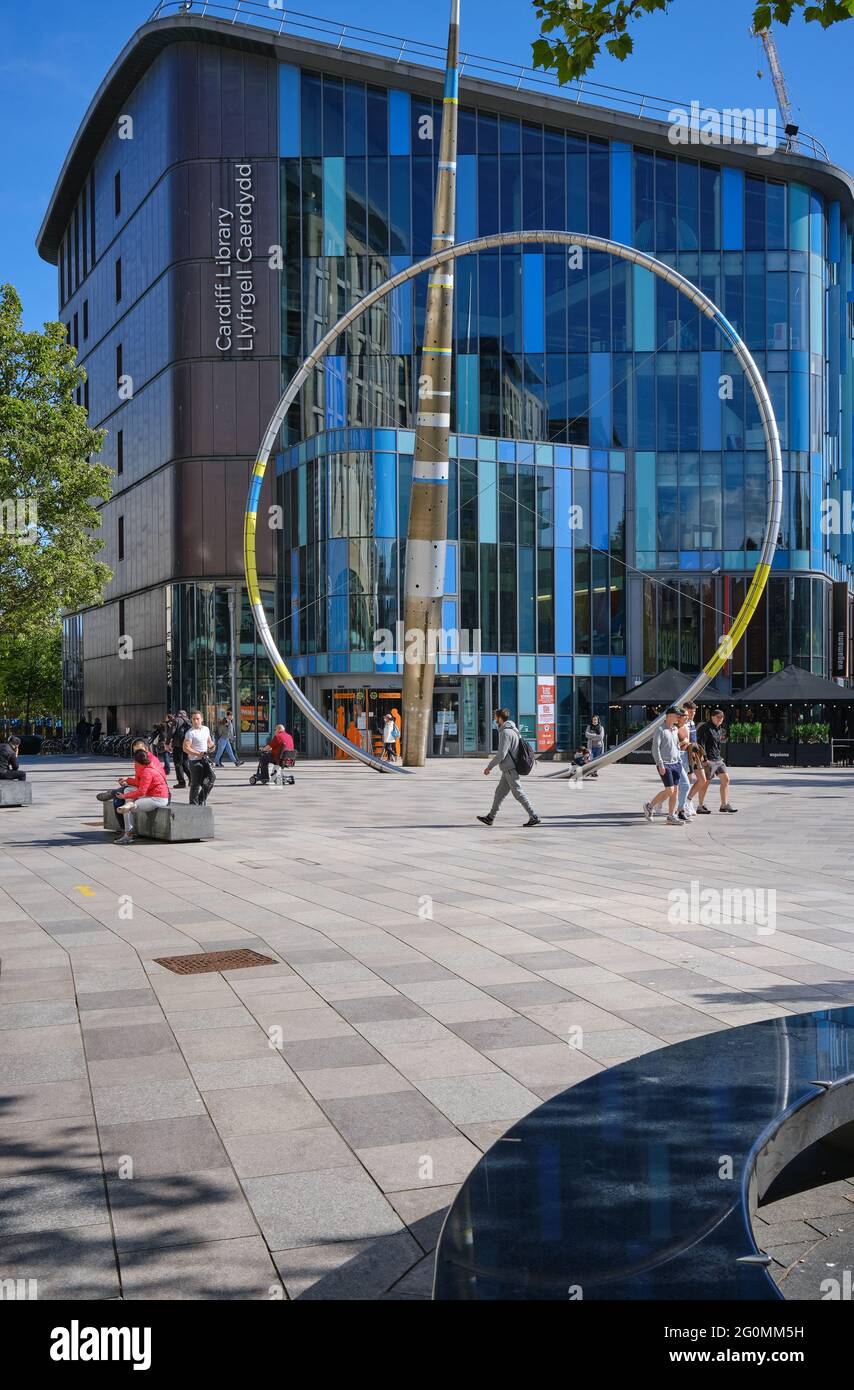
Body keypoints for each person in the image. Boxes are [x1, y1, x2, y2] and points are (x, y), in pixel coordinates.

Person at [477, 708, 540, 828]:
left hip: (510, 768)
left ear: (500, 718)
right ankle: (490, 817)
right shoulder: (513, 729)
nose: (494, 719)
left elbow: (501, 754)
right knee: (499, 793)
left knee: (518, 793)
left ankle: (534, 816)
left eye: (495, 717)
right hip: (508, 768)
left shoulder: (506, 732)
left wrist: (489, 767)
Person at [114, 749, 170, 845]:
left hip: (157, 799)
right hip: (152, 795)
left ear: (137, 761)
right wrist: (127, 780)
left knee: (128, 809)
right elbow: (139, 783)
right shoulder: (147, 768)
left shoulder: (146, 772)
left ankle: (128, 834)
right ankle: (129, 804)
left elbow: (141, 791)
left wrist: (124, 796)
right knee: (128, 791)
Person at [643, 707, 685, 826]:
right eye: (677, 715)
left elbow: (676, 746)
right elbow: (655, 749)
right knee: (669, 790)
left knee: (675, 791)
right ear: (670, 715)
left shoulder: (675, 729)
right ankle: (649, 806)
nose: (678, 718)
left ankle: (671, 816)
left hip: (676, 764)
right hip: (665, 764)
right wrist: (660, 764)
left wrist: (679, 760)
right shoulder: (660, 730)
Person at [696, 708, 738, 813]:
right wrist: (704, 759)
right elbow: (701, 744)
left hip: (718, 759)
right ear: (712, 717)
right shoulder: (705, 728)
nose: (720, 719)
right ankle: (700, 806)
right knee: (705, 783)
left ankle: (724, 805)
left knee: (726, 779)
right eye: (718, 717)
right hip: (708, 760)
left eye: (722, 717)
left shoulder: (719, 728)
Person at [183, 710, 216, 805]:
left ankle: (201, 799)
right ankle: (193, 804)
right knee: (195, 784)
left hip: (205, 759)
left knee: (210, 779)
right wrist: (198, 753)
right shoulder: (190, 733)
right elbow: (186, 748)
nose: (195, 721)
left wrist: (212, 746)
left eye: (197, 719)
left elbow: (209, 741)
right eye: (193, 719)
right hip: (195, 761)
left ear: (201, 719)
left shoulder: (206, 729)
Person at [171, 710, 191, 789]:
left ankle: (181, 782)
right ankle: (192, 779)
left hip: (178, 745)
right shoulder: (189, 721)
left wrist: (167, 742)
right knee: (185, 762)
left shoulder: (176, 720)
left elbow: (172, 732)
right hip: (186, 745)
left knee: (178, 764)